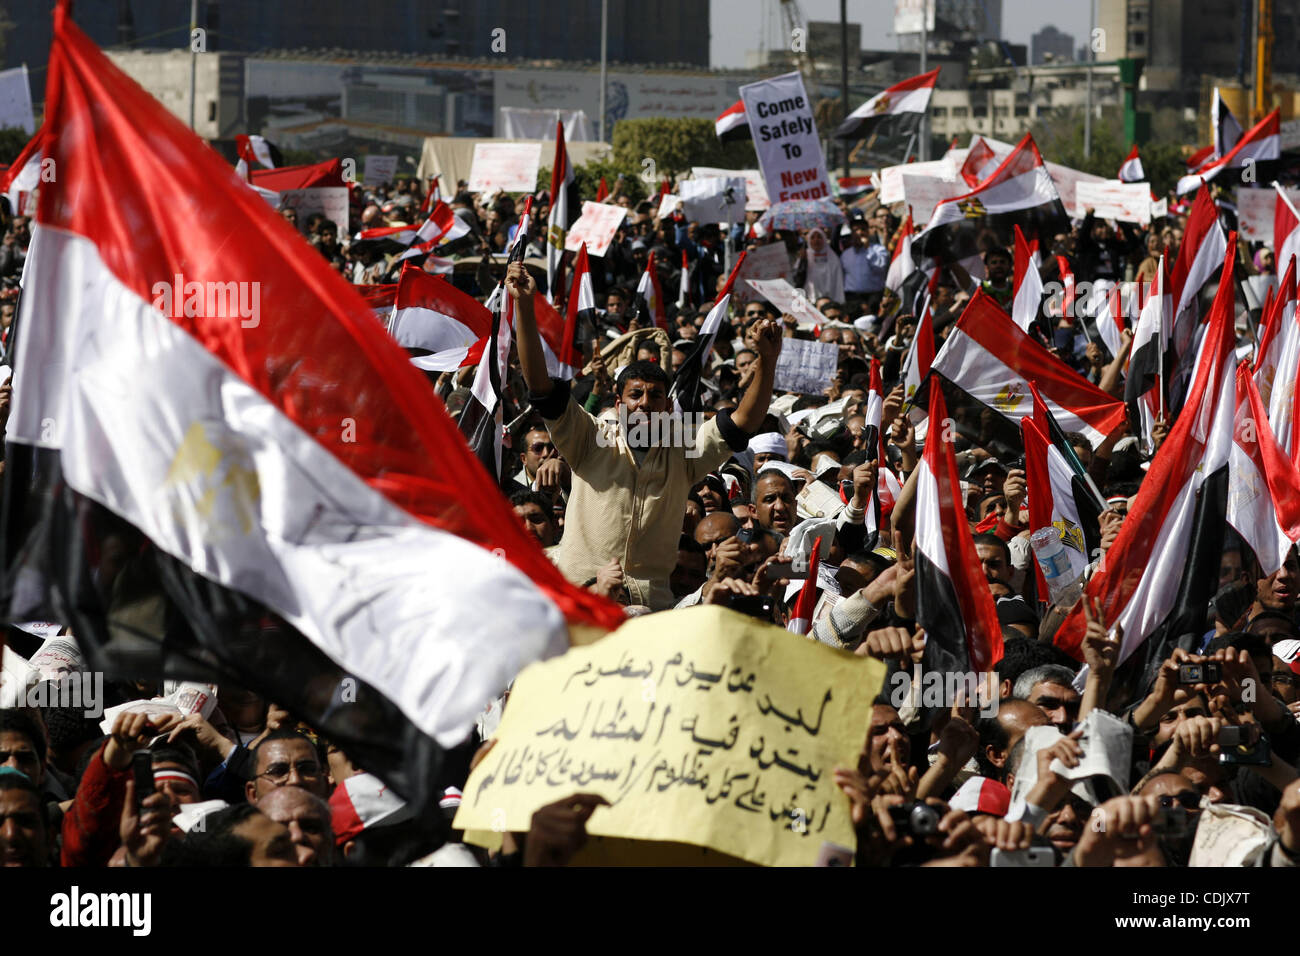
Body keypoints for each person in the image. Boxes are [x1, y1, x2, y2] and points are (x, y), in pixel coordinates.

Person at [509, 261, 781, 610]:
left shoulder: (683, 449)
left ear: (667, 408)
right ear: (619, 404)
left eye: (655, 396)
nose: (645, 404)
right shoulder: (589, 438)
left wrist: (767, 360)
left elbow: (743, 422)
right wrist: (524, 306)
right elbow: (541, 386)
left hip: (651, 611)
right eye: (635, 395)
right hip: (582, 603)